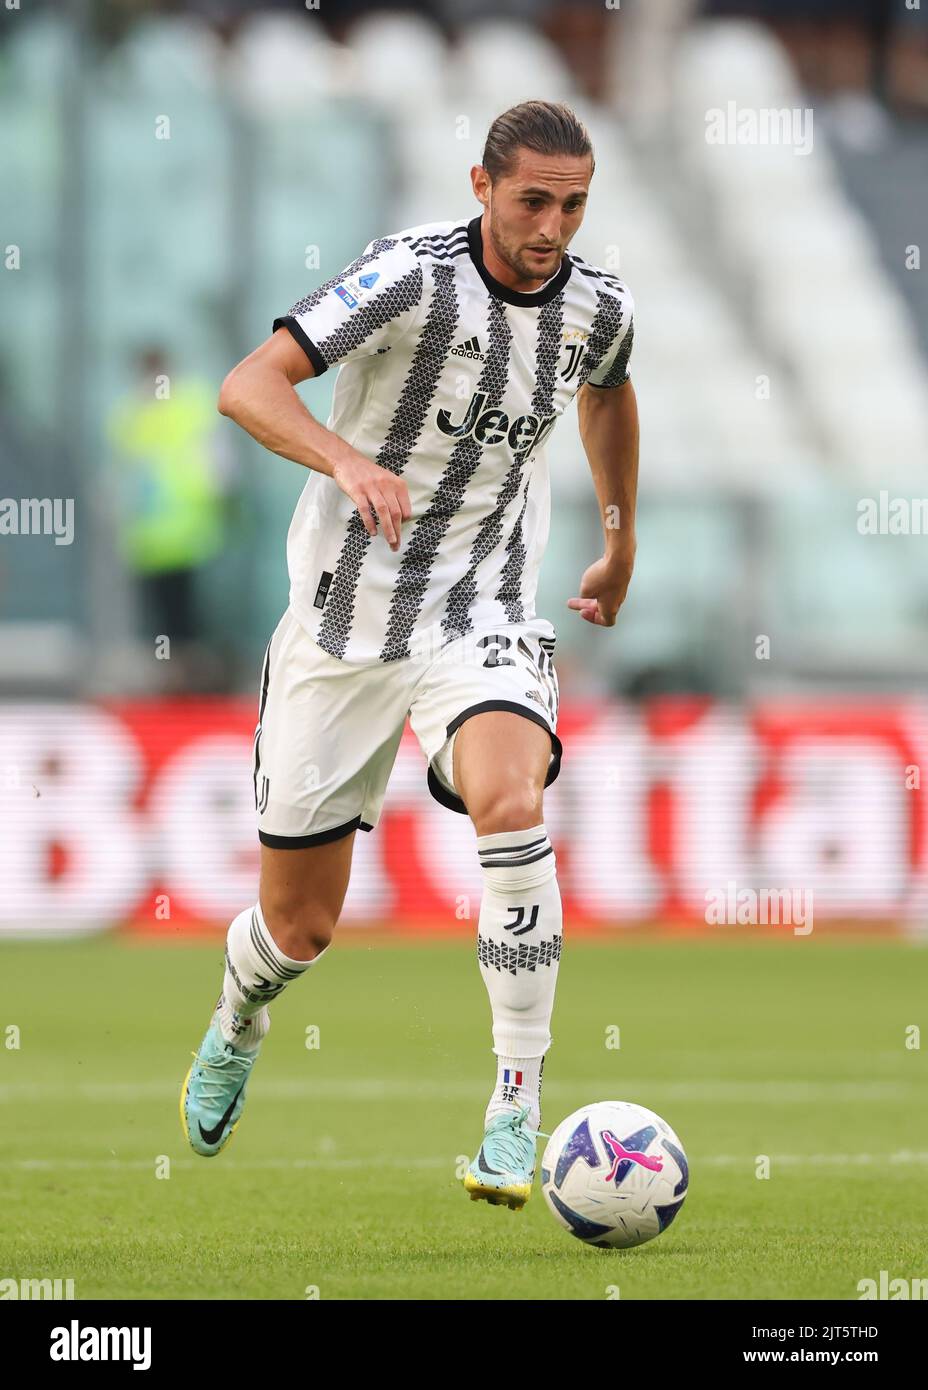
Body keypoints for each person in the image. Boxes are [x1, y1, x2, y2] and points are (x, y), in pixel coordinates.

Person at [179, 99, 639, 1211]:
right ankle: (241, 1009)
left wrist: (619, 537)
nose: (551, 227)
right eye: (532, 200)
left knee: (509, 801)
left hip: (480, 610)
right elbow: (248, 383)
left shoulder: (598, 306)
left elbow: (608, 395)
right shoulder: (407, 277)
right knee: (300, 927)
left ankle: (515, 1097)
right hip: (341, 627)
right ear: (480, 187)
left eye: (572, 206)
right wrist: (345, 461)